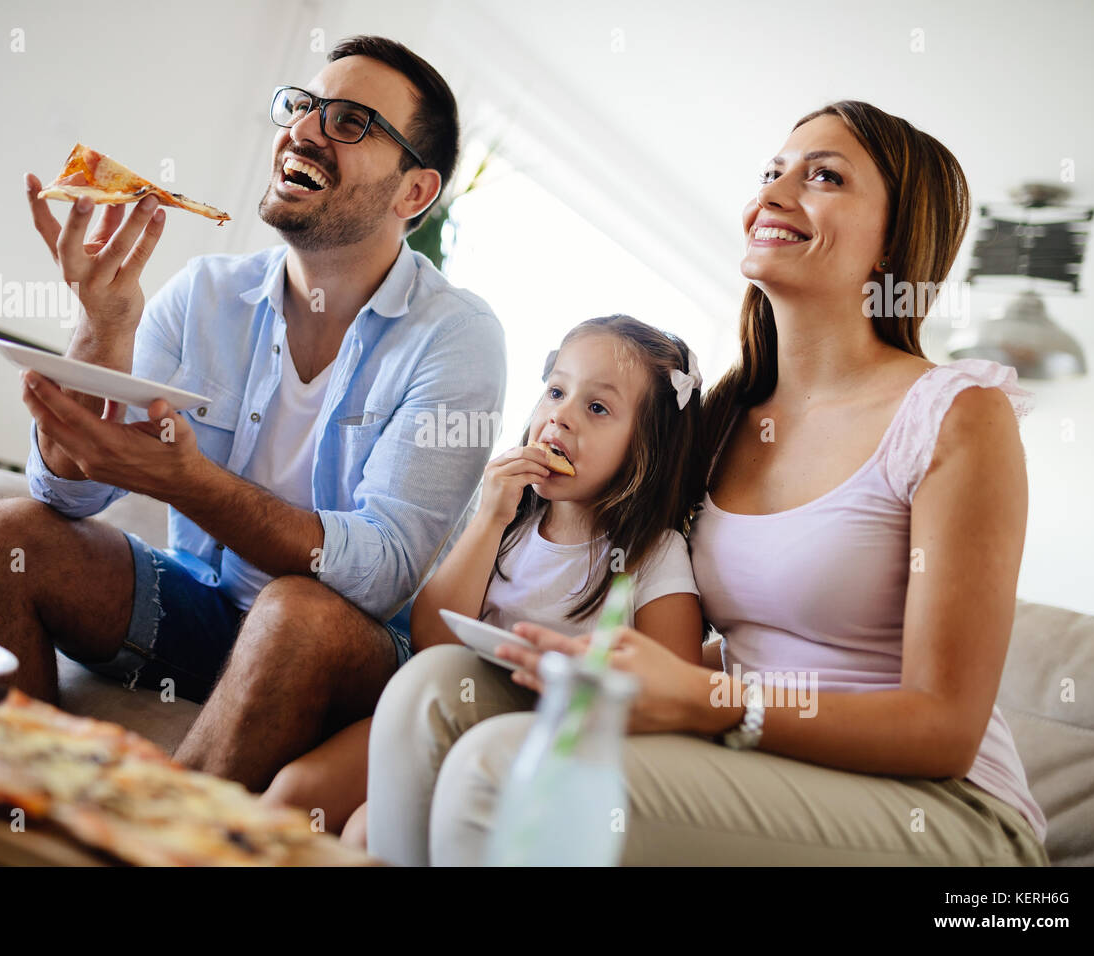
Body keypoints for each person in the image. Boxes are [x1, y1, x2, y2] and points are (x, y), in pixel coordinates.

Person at [366, 100, 1050, 866]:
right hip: (763, 756)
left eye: (824, 176)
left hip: (946, 812)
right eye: (772, 172)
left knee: (499, 773)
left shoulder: (958, 414)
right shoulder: (728, 419)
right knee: (431, 693)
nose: (776, 194)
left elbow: (944, 729)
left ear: (895, 241)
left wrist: (708, 701)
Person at [0, 36, 506, 799]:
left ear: (414, 193)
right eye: (302, 107)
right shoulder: (205, 293)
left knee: (294, 612)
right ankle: (9, 819)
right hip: (204, 608)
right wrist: (101, 329)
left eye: (349, 122)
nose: (304, 130)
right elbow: (65, 495)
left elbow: (381, 574)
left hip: (342, 650)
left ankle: (127, 847)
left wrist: (191, 483)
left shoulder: (457, 336)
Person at [326, 315, 705, 848]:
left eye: (596, 408)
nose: (561, 417)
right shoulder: (508, 522)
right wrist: (488, 519)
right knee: (295, 791)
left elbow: (676, 690)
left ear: (647, 448)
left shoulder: (654, 554)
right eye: (556, 391)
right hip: (454, 706)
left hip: (542, 741)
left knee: (368, 831)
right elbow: (434, 641)